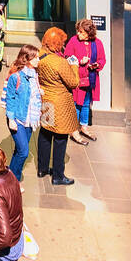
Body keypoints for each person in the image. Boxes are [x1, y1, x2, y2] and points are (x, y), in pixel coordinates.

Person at [37, 28, 80, 186]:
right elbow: (73, 83)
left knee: (45, 134)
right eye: (62, 43)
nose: (63, 46)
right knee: (61, 138)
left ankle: (42, 168)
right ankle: (58, 175)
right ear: (57, 44)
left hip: (46, 101)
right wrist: (74, 66)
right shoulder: (59, 62)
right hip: (60, 103)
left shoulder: (40, 55)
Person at [3, 44, 43, 180]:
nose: (39, 60)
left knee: (19, 150)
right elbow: (10, 98)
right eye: (36, 57)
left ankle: (9, 179)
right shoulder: (16, 76)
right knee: (24, 152)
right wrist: (11, 120)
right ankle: (14, 180)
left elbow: (32, 95)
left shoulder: (35, 75)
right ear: (27, 58)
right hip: (17, 118)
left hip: (29, 120)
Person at [65, 19, 107, 144]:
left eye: (82, 32)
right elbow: (67, 56)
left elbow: (102, 59)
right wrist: (79, 61)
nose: (79, 34)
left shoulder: (97, 43)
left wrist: (95, 65)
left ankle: (83, 126)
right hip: (77, 79)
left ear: (89, 33)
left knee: (86, 103)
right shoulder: (73, 41)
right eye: (78, 31)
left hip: (91, 79)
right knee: (76, 104)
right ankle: (73, 130)